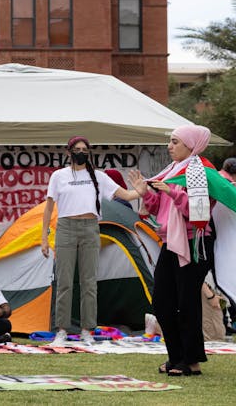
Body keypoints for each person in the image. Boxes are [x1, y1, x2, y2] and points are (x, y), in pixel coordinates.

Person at [127, 125, 216, 376]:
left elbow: (199, 213)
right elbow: (158, 209)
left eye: (175, 141)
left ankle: (192, 361)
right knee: (162, 301)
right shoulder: (172, 171)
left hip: (195, 242)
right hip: (172, 241)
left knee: (186, 303)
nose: (169, 146)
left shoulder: (202, 171)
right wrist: (146, 194)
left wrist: (174, 193)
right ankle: (176, 356)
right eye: (170, 141)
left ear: (191, 144)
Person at [40, 136, 143, 345]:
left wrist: (140, 191)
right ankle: (61, 330)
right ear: (68, 152)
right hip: (66, 228)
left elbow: (124, 194)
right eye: (77, 149)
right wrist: (44, 237)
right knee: (64, 281)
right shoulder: (58, 176)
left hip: (90, 227)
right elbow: (49, 207)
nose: (81, 153)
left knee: (89, 281)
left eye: (85, 150)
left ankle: (87, 330)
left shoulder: (99, 177)